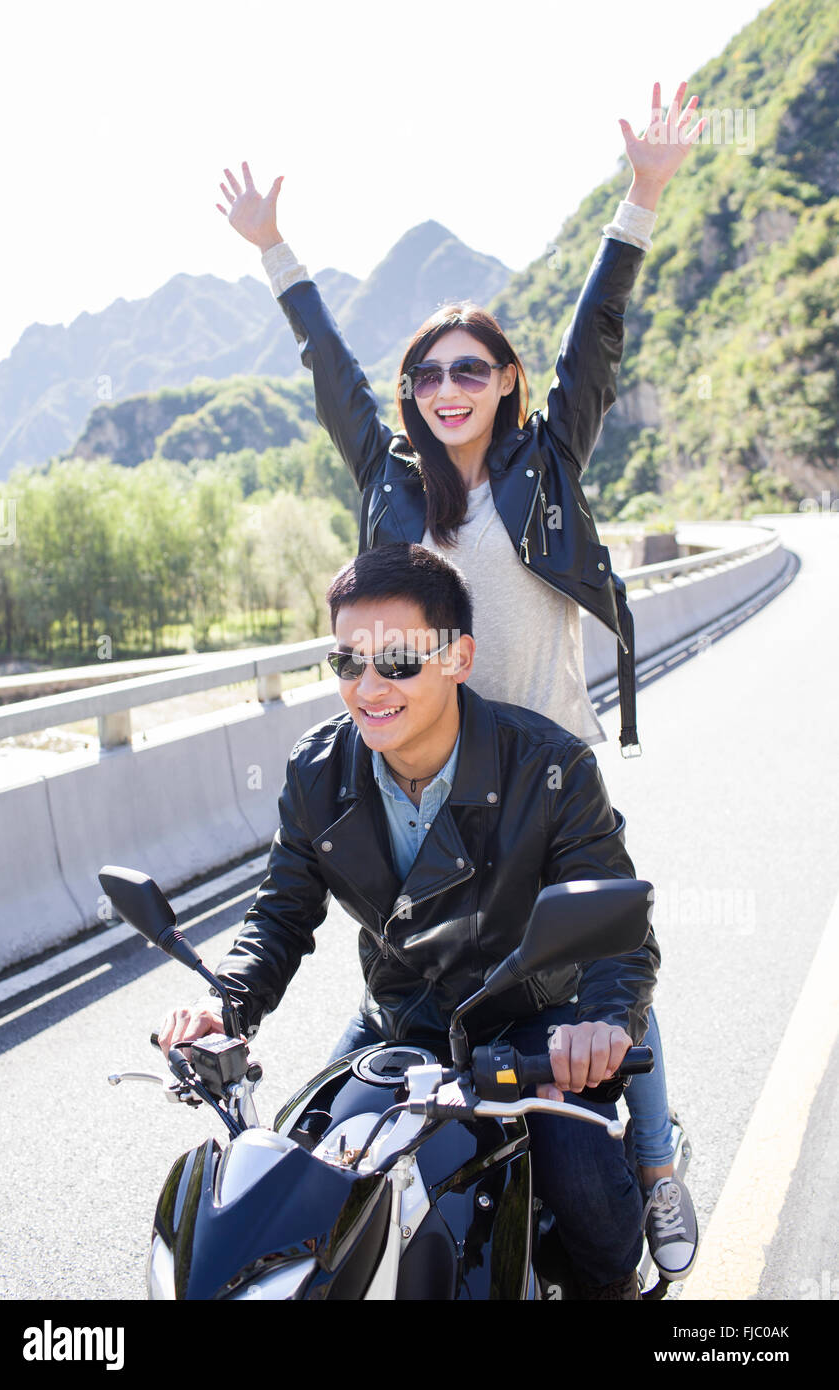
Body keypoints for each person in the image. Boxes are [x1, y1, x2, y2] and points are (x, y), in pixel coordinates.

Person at [212, 81, 702, 1281]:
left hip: (543, 756)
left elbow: (597, 333)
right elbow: (328, 368)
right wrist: (274, 250)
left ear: (504, 379)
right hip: (429, 752)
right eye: (429, 368)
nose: (447, 384)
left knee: (598, 959)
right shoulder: (388, 481)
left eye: (471, 365)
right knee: (414, 993)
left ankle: (649, 1163)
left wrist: (639, 198)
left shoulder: (548, 460)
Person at [160, 542, 661, 1299]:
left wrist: (601, 1025)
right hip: (400, 1016)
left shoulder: (549, 767)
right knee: (305, 1171)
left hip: (531, 1020)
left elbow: (616, 931)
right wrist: (223, 1001)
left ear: (458, 657)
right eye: (346, 664)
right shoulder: (315, 769)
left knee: (590, 1199)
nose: (368, 688)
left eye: (397, 662)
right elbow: (281, 912)